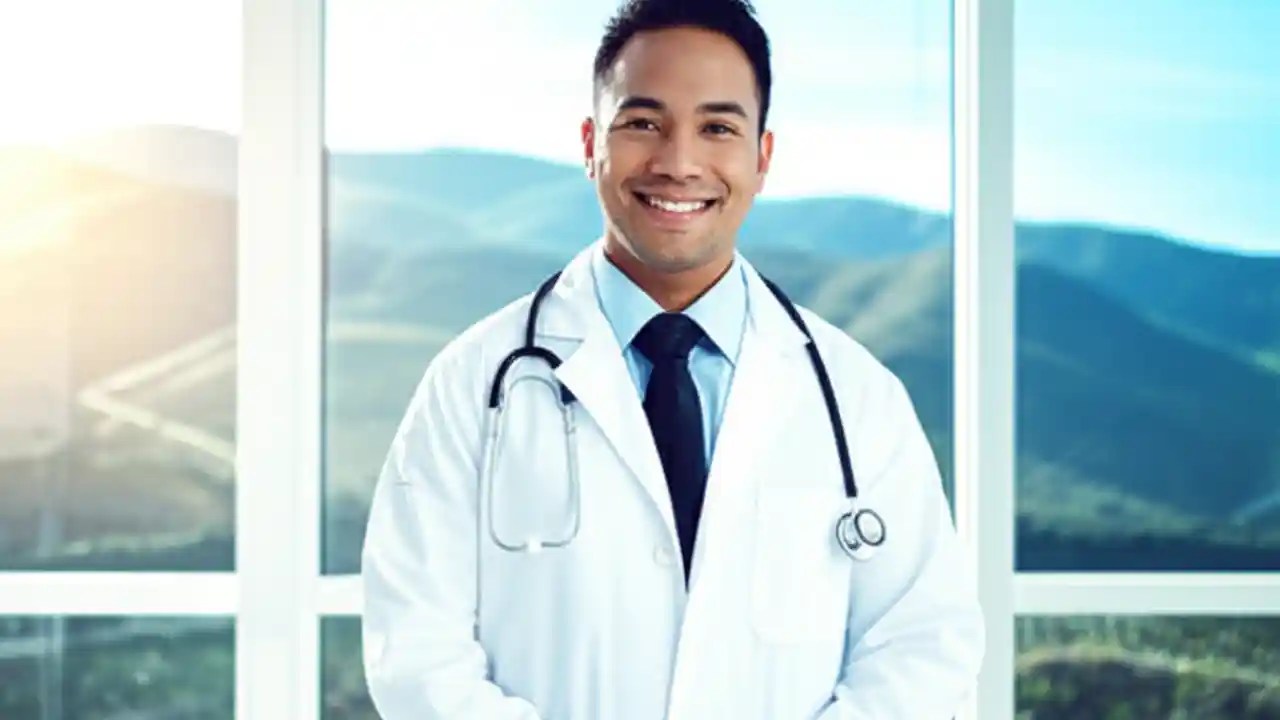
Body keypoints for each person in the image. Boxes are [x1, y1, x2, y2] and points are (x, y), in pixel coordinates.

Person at [360, 0, 985, 717]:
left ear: (762, 157)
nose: (678, 162)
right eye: (643, 123)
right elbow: (416, 654)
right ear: (591, 142)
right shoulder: (471, 385)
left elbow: (923, 645)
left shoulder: (857, 396)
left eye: (717, 127)